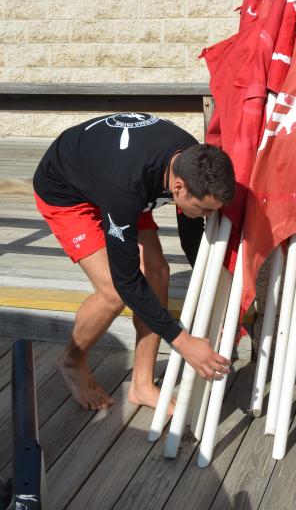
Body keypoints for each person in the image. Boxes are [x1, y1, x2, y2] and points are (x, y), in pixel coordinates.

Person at [33, 111, 235, 412]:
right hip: (66, 188)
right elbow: (127, 279)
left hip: (118, 177)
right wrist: (182, 341)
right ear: (178, 188)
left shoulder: (191, 161)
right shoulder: (126, 187)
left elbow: (191, 239)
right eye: (205, 211)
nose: (209, 217)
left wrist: (215, 297)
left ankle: (142, 385)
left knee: (157, 273)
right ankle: (72, 360)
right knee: (113, 292)